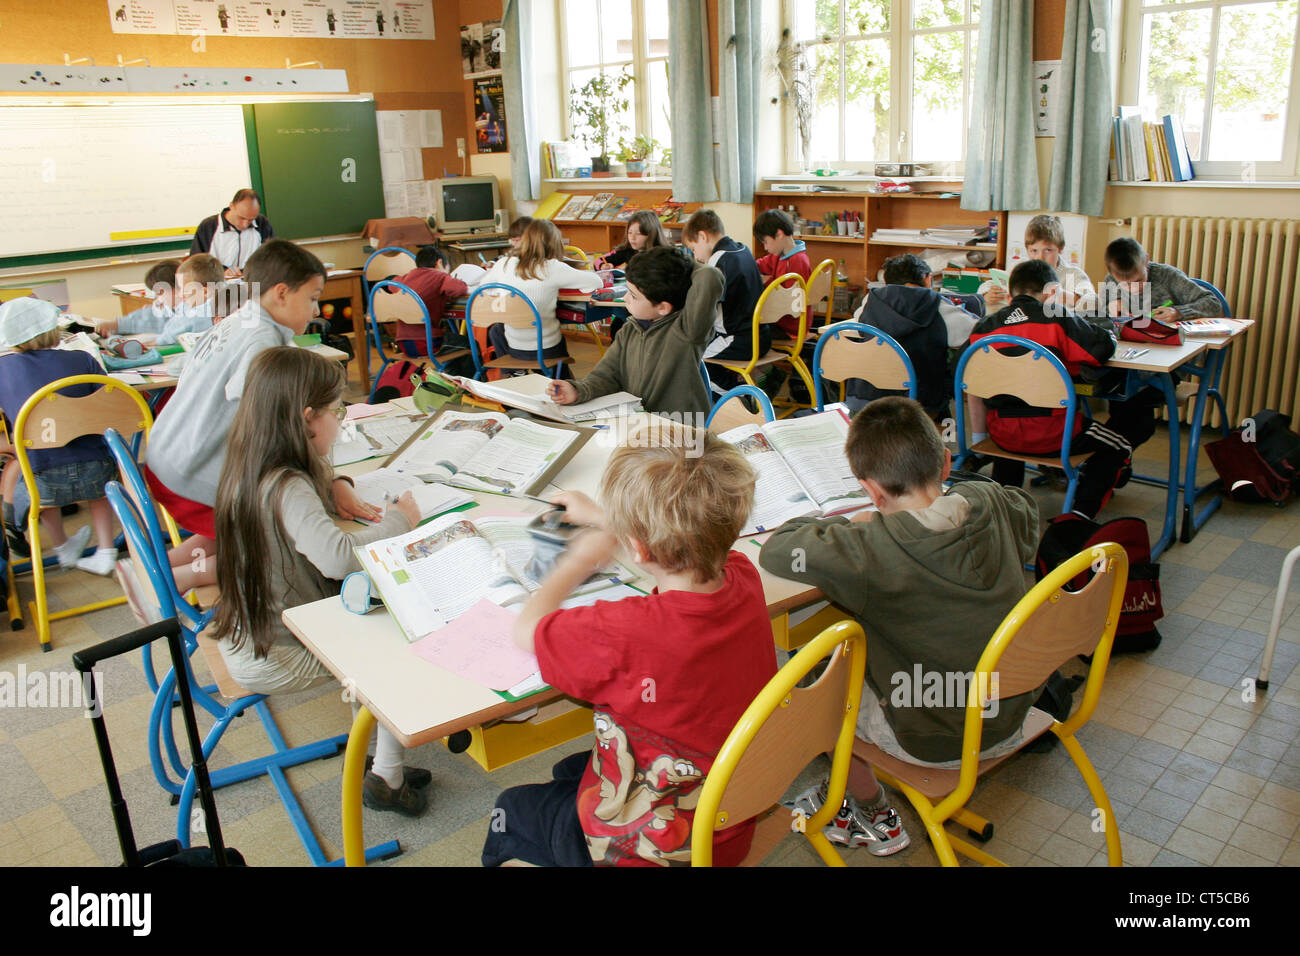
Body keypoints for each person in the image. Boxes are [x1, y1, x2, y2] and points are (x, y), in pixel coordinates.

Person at [482, 424, 777, 866]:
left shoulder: (622, 632)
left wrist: (577, 562)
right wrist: (612, 520)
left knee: (511, 806)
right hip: (726, 821)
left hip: (646, 849)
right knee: (570, 771)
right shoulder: (743, 575)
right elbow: (691, 539)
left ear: (636, 547)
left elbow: (528, 630)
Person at [759, 397, 1040, 853]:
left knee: (808, 676)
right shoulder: (989, 499)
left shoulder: (872, 548)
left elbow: (780, 549)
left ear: (870, 489)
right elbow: (1024, 509)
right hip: (1011, 707)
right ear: (947, 462)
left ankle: (869, 811)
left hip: (933, 737)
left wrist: (863, 520)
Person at [212, 347, 430, 815]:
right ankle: (386, 777)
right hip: (274, 652)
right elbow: (335, 558)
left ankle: (374, 756)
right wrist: (398, 522)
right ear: (307, 418)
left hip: (247, 628)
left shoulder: (249, 461)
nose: (342, 420)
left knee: (373, 618)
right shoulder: (286, 483)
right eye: (338, 410)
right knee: (394, 644)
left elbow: (315, 485)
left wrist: (340, 485)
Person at [146, 239, 379, 593]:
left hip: (169, 457)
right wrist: (323, 482)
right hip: (193, 472)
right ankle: (182, 578)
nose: (316, 310)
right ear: (282, 293)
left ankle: (154, 574)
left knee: (243, 523)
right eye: (313, 298)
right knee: (283, 538)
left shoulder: (240, 318)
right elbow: (265, 423)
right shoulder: (263, 341)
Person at [970, 258, 1159, 519]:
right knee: (1119, 445)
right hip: (1054, 435)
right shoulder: (1058, 319)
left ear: (1012, 291)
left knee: (1013, 418)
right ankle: (1078, 517)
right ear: (1052, 292)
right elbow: (1103, 347)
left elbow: (965, 377)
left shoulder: (983, 328)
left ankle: (1006, 511)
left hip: (1002, 433)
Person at [0, 298, 121, 576]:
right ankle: (106, 550)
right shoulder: (83, 358)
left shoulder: (3, 368)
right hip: (97, 470)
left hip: (40, 478)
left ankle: (63, 547)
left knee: (36, 473)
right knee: (101, 492)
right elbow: (110, 404)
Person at [547, 246, 723, 417]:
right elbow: (606, 375)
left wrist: (679, 262)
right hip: (640, 424)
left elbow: (710, 276)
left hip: (680, 430)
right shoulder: (629, 330)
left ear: (662, 308)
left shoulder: (687, 331)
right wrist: (578, 390)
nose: (625, 298)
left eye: (633, 295)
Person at [852, 253, 979, 420]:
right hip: (920, 404)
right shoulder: (937, 305)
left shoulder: (872, 300)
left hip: (868, 401)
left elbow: (858, 321)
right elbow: (973, 331)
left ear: (886, 281)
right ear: (928, 279)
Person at [480, 219, 602, 372]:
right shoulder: (552, 267)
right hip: (546, 350)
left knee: (498, 330)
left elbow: (484, 289)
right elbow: (597, 282)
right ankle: (561, 384)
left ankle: (517, 376)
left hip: (514, 346)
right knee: (554, 340)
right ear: (554, 244)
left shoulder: (503, 263)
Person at [681, 209, 765, 395]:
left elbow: (704, 305)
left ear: (703, 236)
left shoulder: (718, 262)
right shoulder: (743, 250)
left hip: (739, 340)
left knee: (690, 358)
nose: (696, 257)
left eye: (693, 249)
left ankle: (743, 396)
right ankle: (750, 386)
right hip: (761, 335)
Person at [94, 254, 225, 345]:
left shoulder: (203, 309)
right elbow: (154, 318)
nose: (158, 300)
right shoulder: (193, 303)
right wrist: (117, 325)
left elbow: (173, 331)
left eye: (160, 293)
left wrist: (155, 342)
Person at [982, 214, 1097, 316]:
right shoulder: (1021, 267)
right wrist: (987, 294)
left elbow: (1093, 301)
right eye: (1034, 251)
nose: (1040, 257)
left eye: (1048, 250)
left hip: (1055, 330)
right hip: (1023, 327)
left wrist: (1068, 297)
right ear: (1027, 250)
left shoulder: (1073, 274)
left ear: (1060, 249)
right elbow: (987, 285)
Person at [1099, 236, 1222, 322]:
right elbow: (1101, 316)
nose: (1134, 288)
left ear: (1146, 261)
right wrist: (1110, 308)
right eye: (1125, 284)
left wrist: (1178, 312)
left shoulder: (1168, 276)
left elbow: (1213, 303)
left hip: (1172, 347)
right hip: (1133, 345)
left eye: (1139, 281)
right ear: (1110, 272)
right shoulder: (1111, 280)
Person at [386, 245, 469, 358]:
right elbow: (460, 289)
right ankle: (461, 376)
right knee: (470, 345)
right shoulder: (439, 276)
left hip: (403, 343)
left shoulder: (407, 277)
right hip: (427, 343)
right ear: (439, 263)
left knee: (453, 342)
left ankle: (445, 373)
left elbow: (392, 284)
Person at [753, 208, 811, 339]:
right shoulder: (780, 255)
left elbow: (789, 305)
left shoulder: (797, 261)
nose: (765, 248)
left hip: (790, 326)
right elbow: (759, 264)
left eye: (765, 242)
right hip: (785, 321)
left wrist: (767, 283)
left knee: (743, 325)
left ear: (779, 234)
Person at [190, 188, 274, 277]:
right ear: (231, 206)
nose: (245, 225)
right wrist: (222, 272)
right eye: (241, 218)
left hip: (252, 281)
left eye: (251, 220)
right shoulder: (209, 226)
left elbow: (271, 257)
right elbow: (196, 263)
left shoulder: (262, 223)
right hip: (217, 282)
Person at [593, 210, 669, 270]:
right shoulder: (627, 250)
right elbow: (598, 260)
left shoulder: (664, 254)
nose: (632, 238)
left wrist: (630, 269)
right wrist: (602, 266)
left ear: (652, 234)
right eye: (630, 233)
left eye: (638, 233)